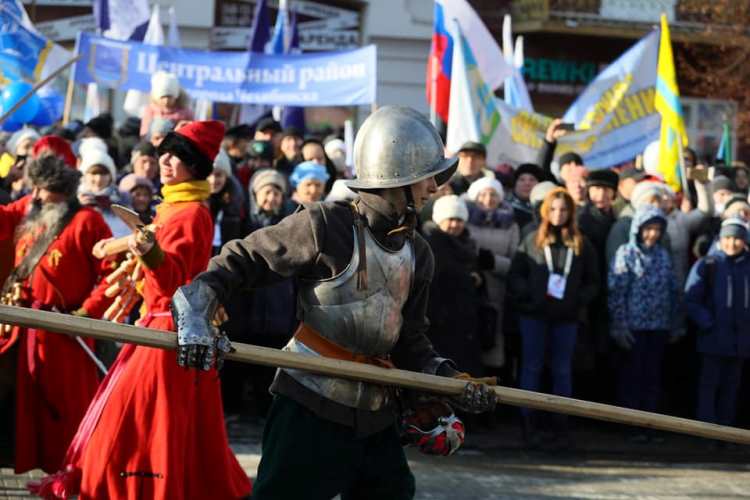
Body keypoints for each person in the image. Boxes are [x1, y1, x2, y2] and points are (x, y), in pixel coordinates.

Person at [171, 106, 496, 499]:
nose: (434, 188)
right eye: (428, 177)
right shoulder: (325, 225)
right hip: (309, 404)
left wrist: (449, 382)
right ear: (398, 176)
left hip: (376, 412)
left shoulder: (419, 252)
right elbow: (241, 260)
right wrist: (200, 305)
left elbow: (410, 340)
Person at [32, 121, 252, 499]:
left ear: (195, 165)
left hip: (167, 335)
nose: (165, 161)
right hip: (153, 328)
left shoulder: (193, 214)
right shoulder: (172, 208)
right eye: (163, 153)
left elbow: (172, 283)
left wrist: (146, 248)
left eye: (177, 156)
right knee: (137, 421)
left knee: (140, 421)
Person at [0, 156, 113, 474]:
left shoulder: (88, 222)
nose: (35, 195)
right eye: (33, 187)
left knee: (66, 408)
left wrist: (85, 313)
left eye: (43, 189)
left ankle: (71, 474)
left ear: (62, 190)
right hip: (24, 330)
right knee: (27, 407)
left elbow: (112, 272)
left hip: (66, 332)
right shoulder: (27, 208)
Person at [508, 187, 599, 447]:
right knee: (531, 367)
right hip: (534, 315)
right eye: (554, 209)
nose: (559, 214)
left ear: (571, 212)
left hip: (566, 318)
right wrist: (529, 296)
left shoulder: (581, 243)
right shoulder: (532, 239)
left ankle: (561, 425)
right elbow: (516, 275)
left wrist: (577, 301)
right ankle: (528, 424)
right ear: (546, 211)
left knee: (561, 370)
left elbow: (593, 282)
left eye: (564, 209)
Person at [608, 206, 679, 442]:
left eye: (657, 230)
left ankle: (650, 425)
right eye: (648, 229)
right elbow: (617, 292)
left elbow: (671, 290)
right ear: (638, 229)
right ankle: (630, 426)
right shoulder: (625, 253)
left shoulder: (662, 255)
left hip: (658, 326)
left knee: (653, 378)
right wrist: (619, 325)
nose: (652, 235)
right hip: (634, 327)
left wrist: (674, 323)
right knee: (632, 378)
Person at [684, 218, 750, 430]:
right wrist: (707, 323)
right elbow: (691, 299)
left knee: (732, 387)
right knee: (709, 386)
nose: (732, 243)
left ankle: (726, 431)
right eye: (728, 238)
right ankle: (707, 431)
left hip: (740, 340)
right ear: (720, 239)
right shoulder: (708, 264)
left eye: (737, 239)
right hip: (713, 337)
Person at [422, 195, 485, 376]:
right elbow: (444, 276)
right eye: (450, 219)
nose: (455, 225)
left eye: (459, 220)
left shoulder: (467, 244)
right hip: (442, 317)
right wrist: (470, 278)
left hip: (465, 317)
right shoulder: (433, 244)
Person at [464, 177, 519, 375]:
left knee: (491, 343)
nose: (488, 199)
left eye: (493, 194)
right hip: (469, 286)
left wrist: (494, 262)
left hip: (497, 292)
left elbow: (517, 262)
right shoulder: (463, 217)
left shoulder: (510, 224)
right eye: (483, 194)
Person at [77, 149, 130, 238]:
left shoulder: (122, 202)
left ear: (111, 176)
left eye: (103, 173)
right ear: (84, 175)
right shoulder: (75, 201)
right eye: (93, 173)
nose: (98, 179)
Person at [208, 149, 246, 253]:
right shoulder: (197, 203)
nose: (213, 180)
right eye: (209, 174)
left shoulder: (235, 201)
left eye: (218, 175)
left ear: (226, 176)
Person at [139, 71, 194, 138]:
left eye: (169, 97)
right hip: (153, 142)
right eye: (163, 97)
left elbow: (191, 132)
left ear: (176, 96)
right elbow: (145, 131)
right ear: (156, 97)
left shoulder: (185, 112)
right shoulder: (151, 110)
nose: (166, 101)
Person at [508, 163, 544, 229]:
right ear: (515, 184)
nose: (527, 184)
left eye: (532, 180)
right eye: (522, 179)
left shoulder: (545, 211)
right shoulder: (506, 209)